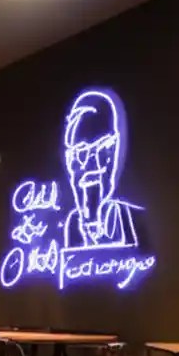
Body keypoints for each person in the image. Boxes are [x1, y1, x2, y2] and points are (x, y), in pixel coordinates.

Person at [60, 90, 142, 250]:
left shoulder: (133, 221)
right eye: (81, 153)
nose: (93, 166)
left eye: (104, 150)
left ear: (116, 150)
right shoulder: (74, 225)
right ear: (69, 160)